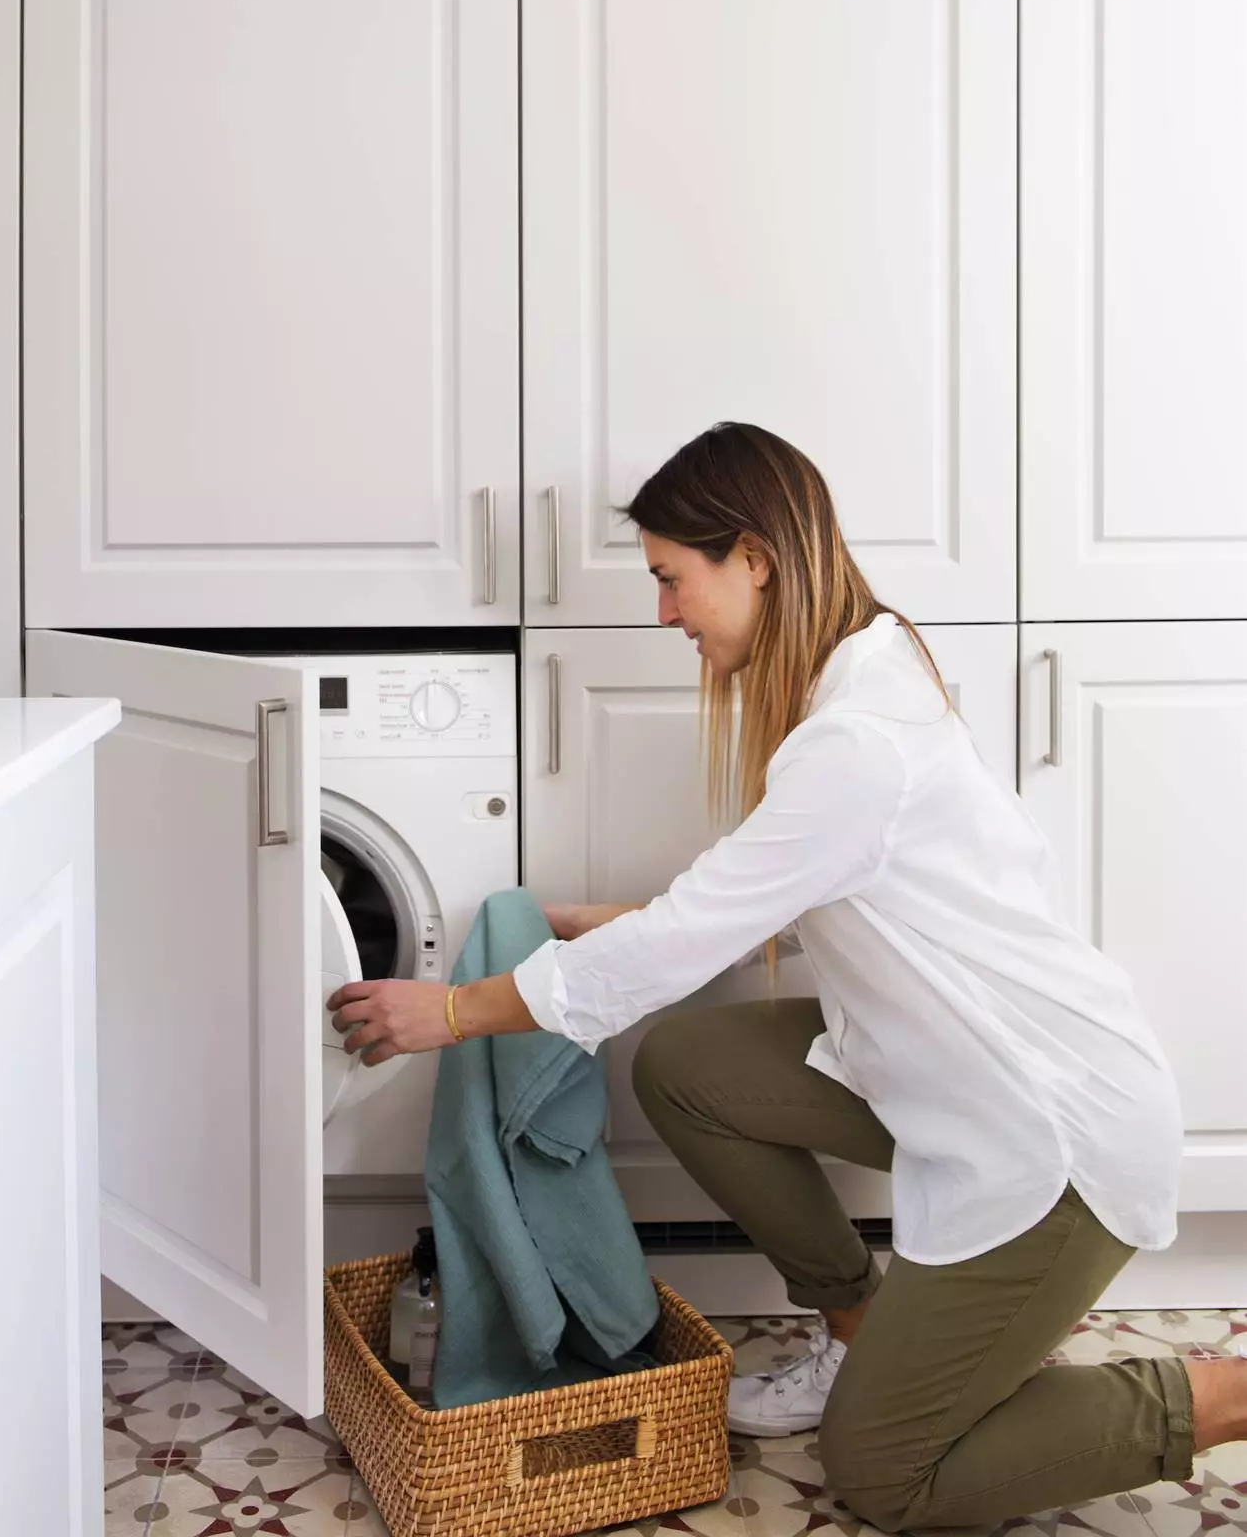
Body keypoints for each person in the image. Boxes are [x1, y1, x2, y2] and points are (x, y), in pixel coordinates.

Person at [328, 421, 1247, 1531]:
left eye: (672, 577)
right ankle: (857, 1328)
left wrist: (456, 1008)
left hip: (1054, 1138)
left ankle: (1221, 1390)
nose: (663, 609)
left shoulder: (855, 736)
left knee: (882, 1471)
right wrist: (597, 920)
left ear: (753, 558)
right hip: (956, 1073)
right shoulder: (866, 664)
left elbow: (697, 931)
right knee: (684, 1064)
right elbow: (800, 893)